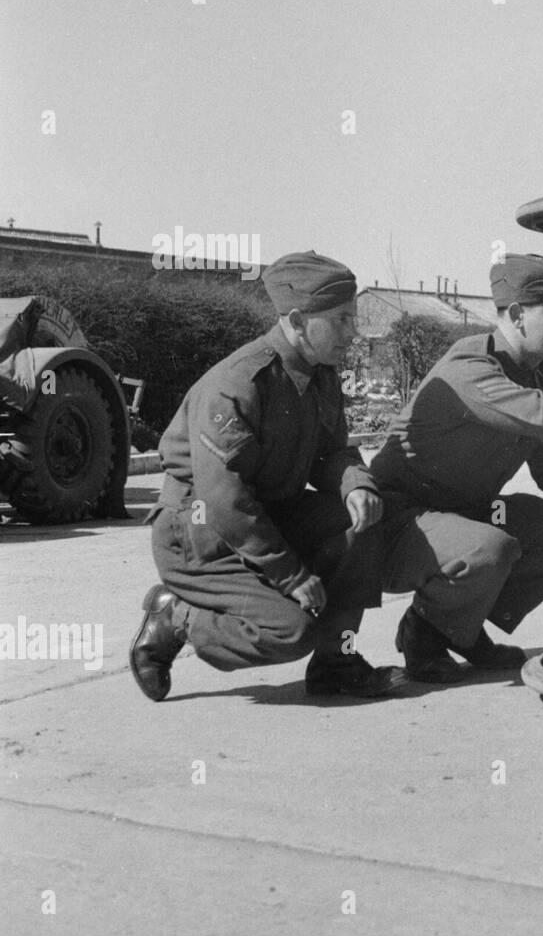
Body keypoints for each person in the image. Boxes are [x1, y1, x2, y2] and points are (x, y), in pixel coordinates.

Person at [128, 251, 407, 701]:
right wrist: (293, 577)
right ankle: (174, 614)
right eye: (340, 320)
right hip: (200, 534)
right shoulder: (236, 385)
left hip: (266, 515)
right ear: (297, 321)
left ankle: (337, 664)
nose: (352, 332)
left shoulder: (320, 376)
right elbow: (226, 503)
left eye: (352, 319)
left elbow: (331, 453)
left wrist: (355, 482)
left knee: (361, 521)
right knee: (289, 631)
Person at [371, 253, 543, 682]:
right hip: (398, 525)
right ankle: (424, 633)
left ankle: (460, 627)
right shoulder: (471, 367)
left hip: (464, 519)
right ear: (516, 315)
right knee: (490, 548)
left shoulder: (535, 374)